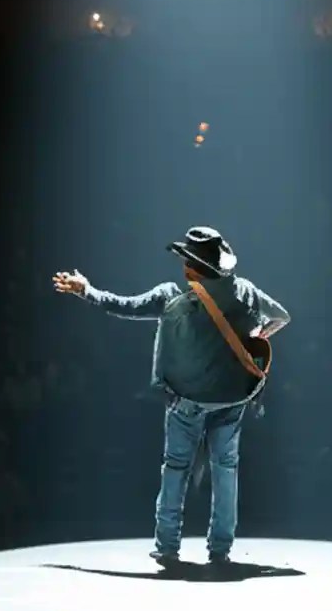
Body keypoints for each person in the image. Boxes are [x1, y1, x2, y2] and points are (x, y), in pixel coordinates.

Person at [52, 226, 290, 569]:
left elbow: (124, 306)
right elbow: (282, 316)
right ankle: (220, 549)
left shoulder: (172, 298)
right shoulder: (245, 292)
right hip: (232, 399)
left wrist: (86, 290)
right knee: (226, 470)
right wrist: (254, 337)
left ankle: (167, 546)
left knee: (176, 468)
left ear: (193, 264)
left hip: (187, 401)